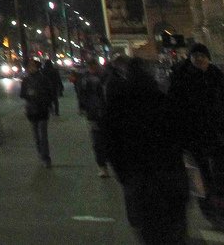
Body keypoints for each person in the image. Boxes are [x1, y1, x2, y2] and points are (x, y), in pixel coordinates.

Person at [105, 57, 189, 244]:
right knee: (174, 228)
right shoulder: (163, 99)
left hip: (138, 176)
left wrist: (123, 173)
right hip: (168, 174)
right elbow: (181, 135)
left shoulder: (119, 105)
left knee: (148, 228)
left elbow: (110, 142)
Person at [167, 42, 224, 217]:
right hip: (193, 132)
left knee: (219, 165)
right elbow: (174, 106)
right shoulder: (181, 77)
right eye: (195, 56)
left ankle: (218, 197)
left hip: (215, 129)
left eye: (202, 56)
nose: (199, 59)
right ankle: (208, 203)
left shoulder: (216, 75)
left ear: (208, 58)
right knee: (201, 169)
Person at [77, 60, 111, 177]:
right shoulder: (90, 79)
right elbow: (82, 95)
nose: (92, 69)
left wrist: (82, 107)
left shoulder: (103, 78)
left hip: (100, 113)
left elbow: (81, 95)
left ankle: (104, 166)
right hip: (95, 114)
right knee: (98, 141)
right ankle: (103, 166)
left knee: (101, 140)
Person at [20, 58, 54, 165]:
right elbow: (22, 94)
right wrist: (29, 94)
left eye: (32, 66)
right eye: (29, 66)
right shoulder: (25, 80)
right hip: (31, 110)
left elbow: (50, 93)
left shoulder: (43, 79)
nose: (30, 68)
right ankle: (41, 154)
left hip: (42, 109)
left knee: (42, 135)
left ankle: (45, 157)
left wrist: (44, 100)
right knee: (36, 136)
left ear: (37, 67)